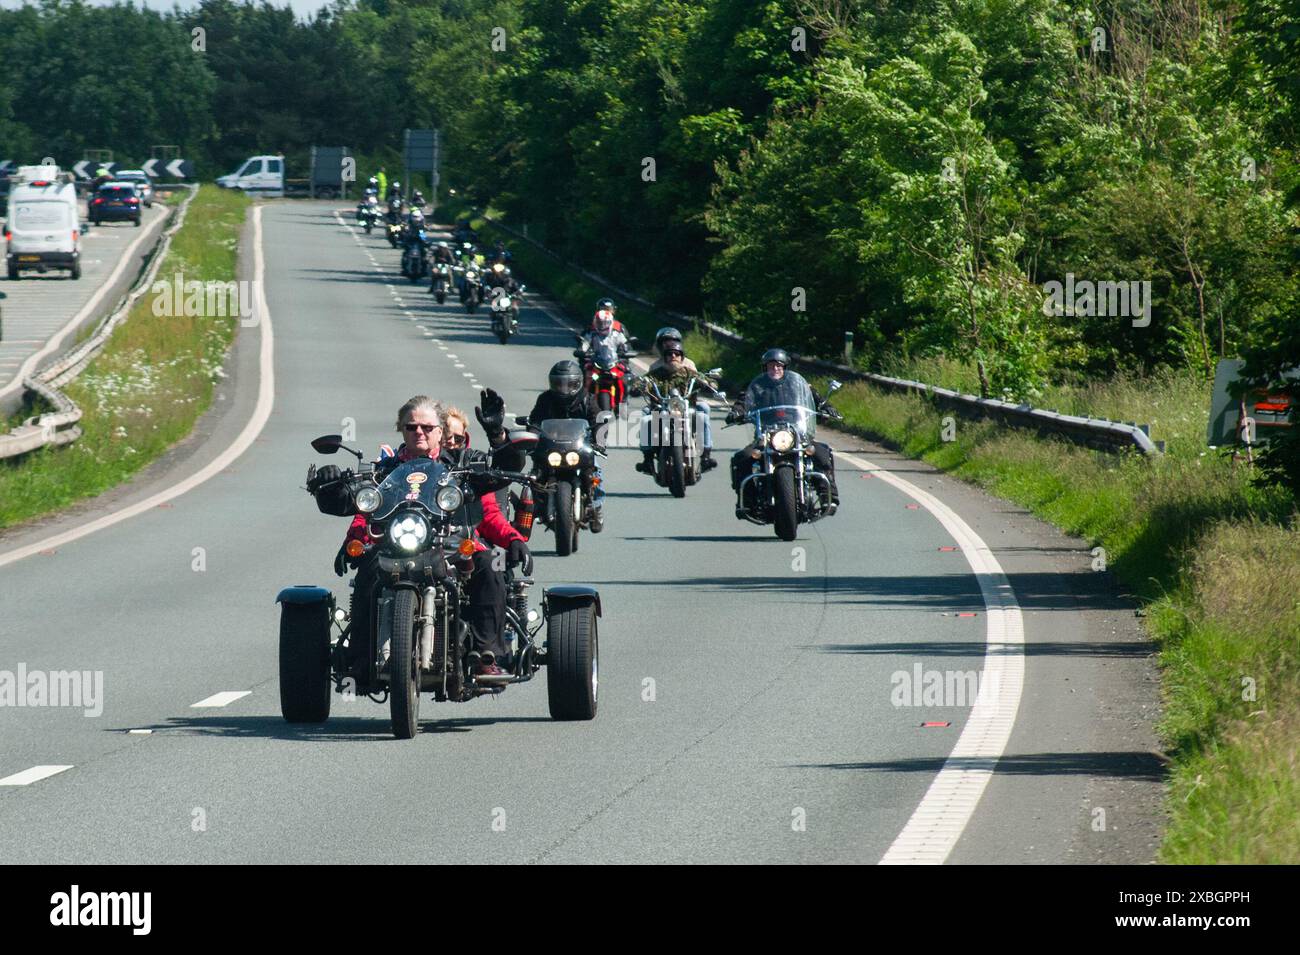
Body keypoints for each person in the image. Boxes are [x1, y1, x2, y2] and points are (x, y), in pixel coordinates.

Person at [312, 395, 530, 682]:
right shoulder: (383, 470)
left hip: (453, 545)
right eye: (411, 426)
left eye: (427, 427)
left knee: (490, 566)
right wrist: (329, 487)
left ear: (441, 430)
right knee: (367, 572)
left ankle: (487, 655)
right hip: (396, 544)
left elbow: (495, 495)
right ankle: (361, 656)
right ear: (401, 429)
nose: (419, 432)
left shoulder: (466, 464)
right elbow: (361, 509)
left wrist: (497, 435)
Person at [727, 348, 839, 505]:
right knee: (743, 458)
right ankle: (747, 500)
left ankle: (828, 497)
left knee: (822, 454)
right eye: (771, 365)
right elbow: (743, 401)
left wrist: (826, 407)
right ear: (764, 367)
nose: (775, 369)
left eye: (779, 365)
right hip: (765, 434)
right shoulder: (756, 386)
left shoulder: (798, 385)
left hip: (796, 431)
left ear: (785, 367)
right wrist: (737, 412)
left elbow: (815, 398)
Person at [525, 361, 607, 532]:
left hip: (579, 447)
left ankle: (596, 506)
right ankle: (531, 506)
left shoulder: (588, 398)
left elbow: (599, 421)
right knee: (534, 475)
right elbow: (534, 421)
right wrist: (531, 438)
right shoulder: (545, 399)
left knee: (596, 470)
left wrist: (599, 442)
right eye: (558, 384)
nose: (563, 388)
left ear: (577, 383)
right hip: (551, 447)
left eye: (568, 384)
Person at [636, 337, 718, 474]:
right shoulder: (657, 373)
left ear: (681, 357)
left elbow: (705, 379)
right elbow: (644, 380)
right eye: (669, 354)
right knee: (645, 420)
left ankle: (706, 457)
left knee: (702, 418)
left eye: (677, 354)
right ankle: (648, 460)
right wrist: (639, 386)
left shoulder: (689, 373)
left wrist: (710, 384)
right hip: (662, 409)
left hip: (687, 409)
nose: (673, 356)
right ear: (665, 357)